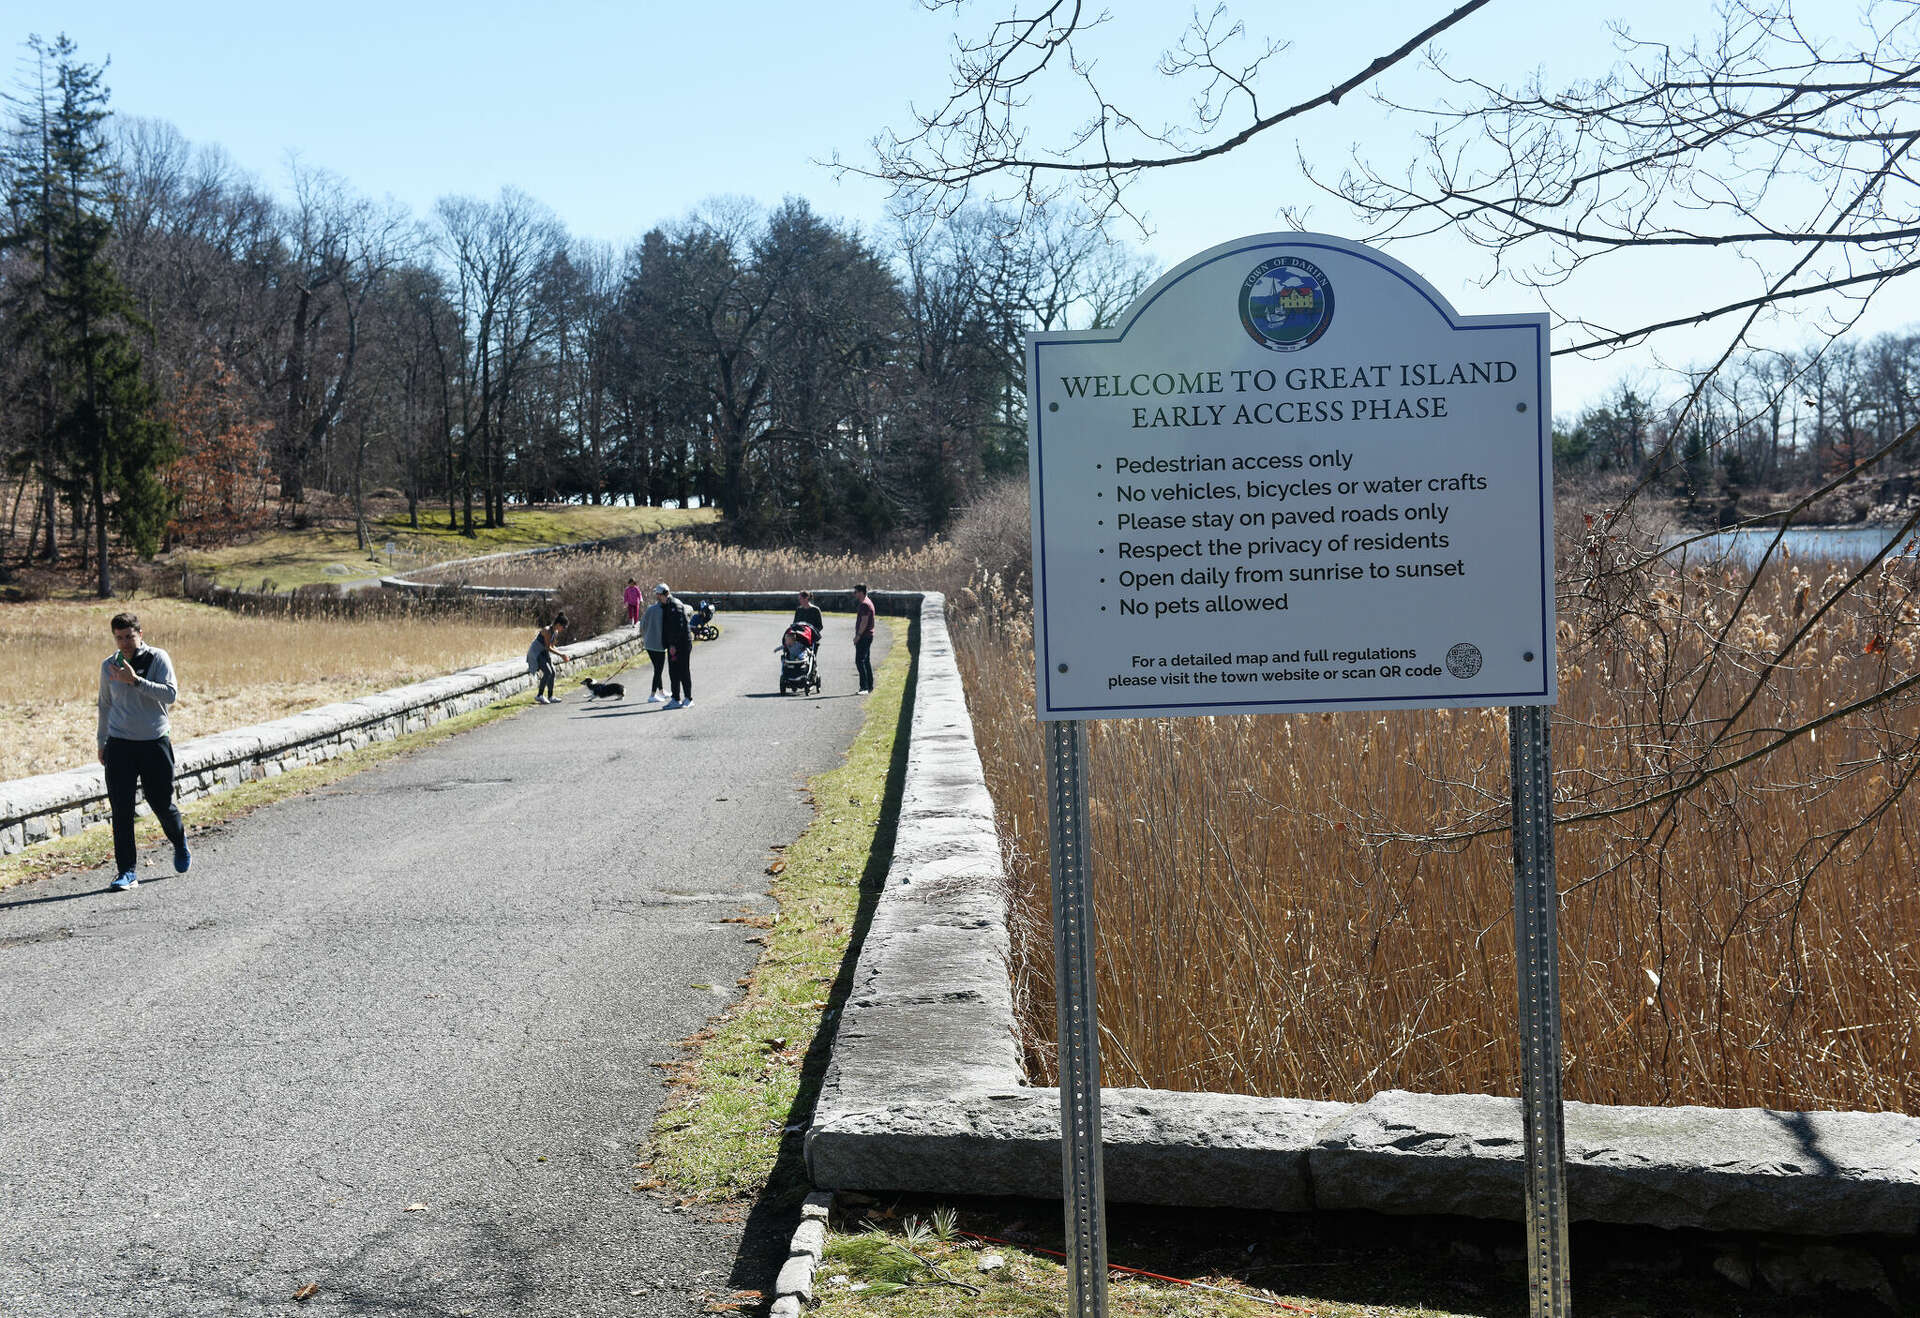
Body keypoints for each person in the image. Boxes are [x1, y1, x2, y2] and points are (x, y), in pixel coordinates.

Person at [97, 612, 190, 892]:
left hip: (153, 741)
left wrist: (136, 681)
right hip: (120, 745)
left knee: (161, 802)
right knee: (122, 810)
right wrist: (102, 741)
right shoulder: (109, 665)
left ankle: (179, 840)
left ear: (140, 633)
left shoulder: (157, 658)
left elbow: (170, 695)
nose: (125, 642)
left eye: (129, 636)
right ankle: (127, 871)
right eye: (119, 637)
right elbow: (105, 704)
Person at [656, 583, 694, 709]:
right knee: (673, 672)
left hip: (681, 644)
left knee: (683, 671)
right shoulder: (666, 605)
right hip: (674, 645)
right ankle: (675, 699)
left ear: (666, 593)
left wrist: (673, 644)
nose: (657, 597)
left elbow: (678, 628)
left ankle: (688, 698)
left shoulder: (675, 605)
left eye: (659, 594)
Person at [530, 613, 571, 704]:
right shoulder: (547, 630)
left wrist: (563, 654)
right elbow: (548, 647)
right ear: (558, 625)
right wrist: (561, 655)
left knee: (552, 672)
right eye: (563, 627)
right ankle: (539, 695)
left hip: (544, 652)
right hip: (536, 653)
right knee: (548, 672)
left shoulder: (555, 632)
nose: (563, 629)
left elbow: (552, 646)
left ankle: (550, 696)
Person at [640, 587, 670, 702]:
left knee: (657, 669)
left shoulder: (650, 609)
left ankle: (661, 692)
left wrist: (646, 636)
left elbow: (642, 626)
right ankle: (652, 695)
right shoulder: (665, 611)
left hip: (649, 644)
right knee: (658, 670)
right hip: (659, 645)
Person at [852, 582, 876, 694]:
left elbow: (864, 622)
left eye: (856, 592)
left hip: (864, 636)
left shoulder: (865, 604)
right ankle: (870, 685)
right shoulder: (867, 602)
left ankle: (864, 687)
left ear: (861, 592)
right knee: (866, 661)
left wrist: (858, 636)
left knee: (859, 661)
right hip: (868, 636)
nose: (854, 594)